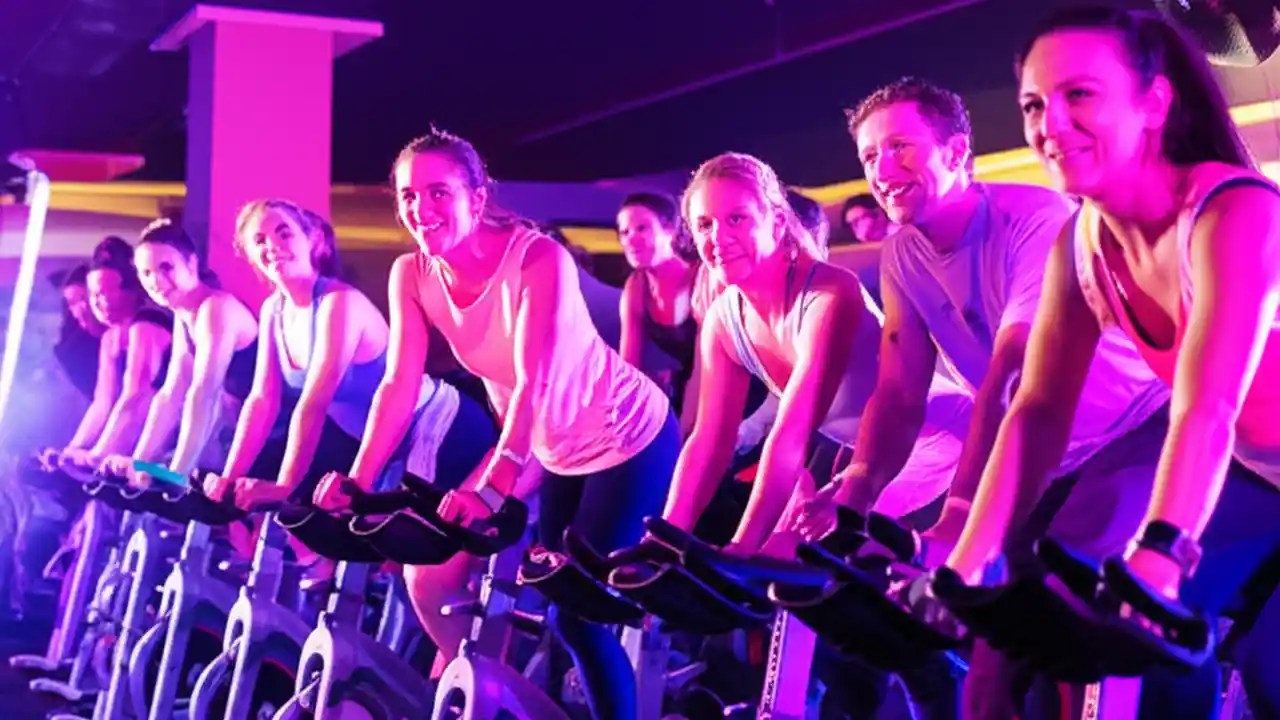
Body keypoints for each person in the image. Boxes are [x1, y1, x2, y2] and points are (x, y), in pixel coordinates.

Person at [944, 7, 1280, 718]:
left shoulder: (1235, 210)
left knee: (1266, 666)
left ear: (1154, 102)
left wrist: (1161, 551)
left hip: (1243, 459)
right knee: (1134, 647)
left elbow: (1207, 406)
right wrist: (965, 563)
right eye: (1035, 104)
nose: (1049, 125)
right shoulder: (1082, 242)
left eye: (1080, 95)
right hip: (1262, 474)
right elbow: (1036, 411)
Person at [814, 75, 1176, 719]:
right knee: (987, 679)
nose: (882, 169)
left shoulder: (1034, 220)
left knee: (1058, 613)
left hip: (1134, 430)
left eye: (901, 147)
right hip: (1045, 450)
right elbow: (900, 393)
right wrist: (854, 494)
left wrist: (958, 516)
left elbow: (1013, 376)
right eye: (870, 155)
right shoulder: (901, 252)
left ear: (956, 153)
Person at [313, 127, 679, 720]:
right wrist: (359, 479)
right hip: (550, 448)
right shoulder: (412, 273)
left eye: (438, 193)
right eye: (408, 196)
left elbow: (538, 379)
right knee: (446, 585)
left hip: (626, 438)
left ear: (476, 197)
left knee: (578, 617)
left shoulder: (537, 257)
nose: (420, 209)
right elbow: (398, 383)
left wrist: (495, 482)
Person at [664, 151, 971, 556]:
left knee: (794, 555)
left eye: (736, 219)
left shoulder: (829, 292)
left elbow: (792, 432)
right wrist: (664, 539)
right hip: (878, 456)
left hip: (945, 441)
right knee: (788, 553)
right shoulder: (723, 318)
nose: (717, 238)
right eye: (704, 224)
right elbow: (709, 440)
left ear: (775, 223)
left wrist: (742, 547)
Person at [204, 198, 494, 592]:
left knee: (418, 574)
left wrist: (286, 485)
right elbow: (262, 401)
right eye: (259, 240)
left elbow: (315, 400)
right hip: (388, 448)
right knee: (389, 574)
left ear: (314, 240)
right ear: (252, 257)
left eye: (283, 232)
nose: (271, 244)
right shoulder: (274, 311)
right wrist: (229, 477)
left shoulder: (340, 303)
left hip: (441, 429)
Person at [97, 220, 257, 482]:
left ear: (191, 264)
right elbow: (171, 394)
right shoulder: (184, 315)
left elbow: (204, 391)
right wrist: (140, 462)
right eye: (145, 273)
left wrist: (177, 474)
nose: (156, 280)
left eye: (166, 267)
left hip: (278, 440)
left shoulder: (216, 308)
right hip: (244, 438)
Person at [55, 237, 172, 468]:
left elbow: (136, 395)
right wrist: (74, 448)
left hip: (167, 443)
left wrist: (100, 453)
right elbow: (103, 402)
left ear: (130, 290)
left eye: (105, 293)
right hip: (134, 445)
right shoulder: (110, 338)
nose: (97, 303)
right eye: (94, 295)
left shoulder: (147, 324)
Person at [617, 192, 701, 428]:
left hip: (730, 392)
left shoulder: (701, 279)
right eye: (624, 232)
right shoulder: (636, 286)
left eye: (642, 228)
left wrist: (685, 434)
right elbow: (629, 367)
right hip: (687, 391)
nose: (631, 240)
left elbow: (707, 370)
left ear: (670, 230)